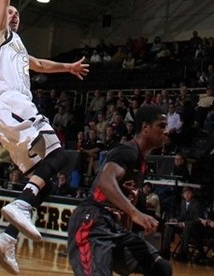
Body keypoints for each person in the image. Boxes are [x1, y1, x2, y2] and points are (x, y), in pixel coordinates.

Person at [0, 0, 89, 275]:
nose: (13, 15)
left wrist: (68, 68)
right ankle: (21, 204)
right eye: (8, 13)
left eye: (16, 14)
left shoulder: (16, 46)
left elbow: (39, 64)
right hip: (13, 104)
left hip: (8, 115)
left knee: (45, 178)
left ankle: (8, 237)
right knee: (61, 155)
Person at [67, 105, 170, 276]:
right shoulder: (127, 151)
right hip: (92, 223)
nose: (166, 131)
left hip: (115, 229)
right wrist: (136, 213)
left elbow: (126, 203)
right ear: (145, 127)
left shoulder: (141, 163)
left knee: (161, 268)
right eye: (161, 126)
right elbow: (104, 181)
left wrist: (128, 226)